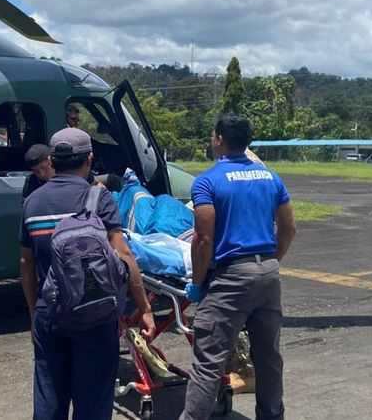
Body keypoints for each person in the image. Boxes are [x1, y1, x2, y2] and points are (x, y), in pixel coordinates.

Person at [20, 127, 157, 420]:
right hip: (96, 315)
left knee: (48, 399)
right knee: (93, 402)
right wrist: (144, 307)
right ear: (90, 158)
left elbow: (26, 265)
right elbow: (124, 255)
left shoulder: (32, 203)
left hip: (50, 313)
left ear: (52, 161)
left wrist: (35, 314)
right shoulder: (99, 199)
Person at [179, 114, 297, 420]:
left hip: (230, 278)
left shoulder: (207, 181)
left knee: (208, 362)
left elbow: (203, 238)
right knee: (268, 357)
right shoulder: (271, 178)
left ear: (219, 139)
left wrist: (197, 282)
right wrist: (270, 262)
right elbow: (289, 228)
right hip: (268, 273)